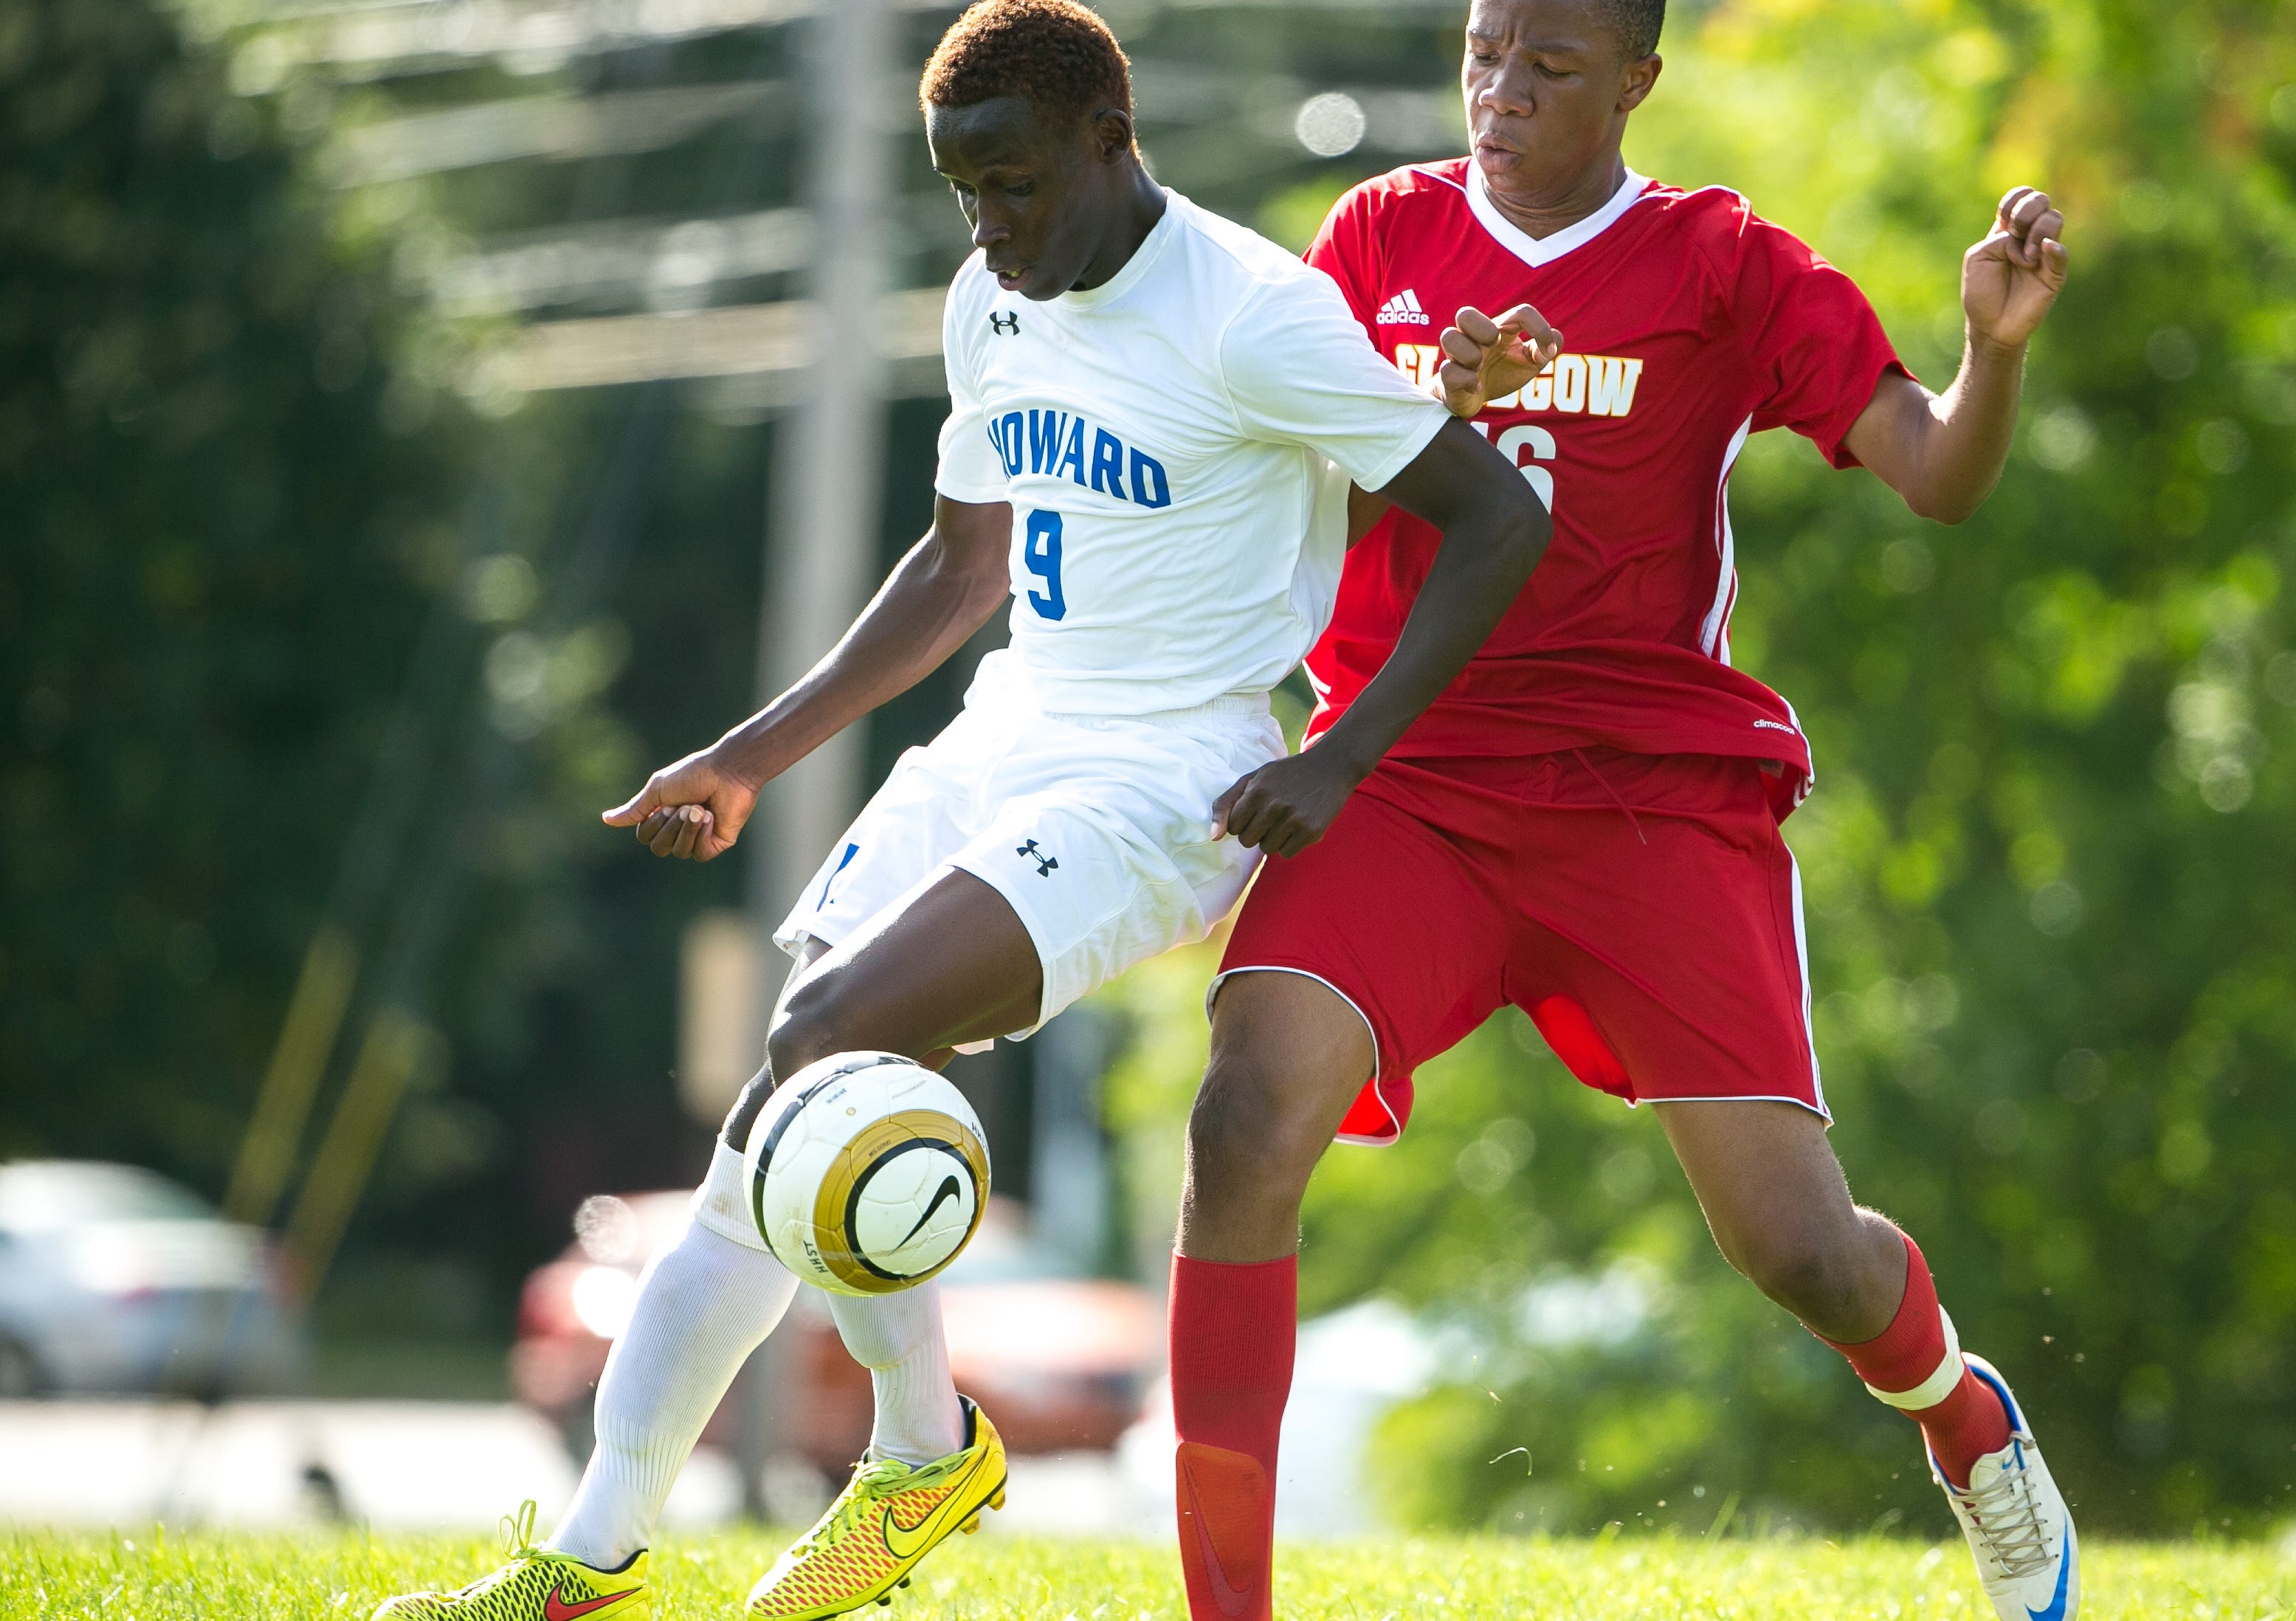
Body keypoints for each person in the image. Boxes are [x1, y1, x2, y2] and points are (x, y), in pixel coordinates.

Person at [372, 4, 1555, 1619]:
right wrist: (749, 756)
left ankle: (918, 1451)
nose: (988, 227)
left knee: (828, 1040)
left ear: (1107, 142)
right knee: (767, 1134)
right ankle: (595, 1563)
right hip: (1004, 738)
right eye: (960, 193)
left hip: (1166, 784)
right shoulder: (992, 301)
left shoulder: (1257, 314)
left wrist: (1339, 757)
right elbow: (956, 566)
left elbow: (1495, 519)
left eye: (1011, 185)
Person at [1165, 0, 2077, 1618]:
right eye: (1484, 53)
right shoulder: (1378, 234)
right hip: (1408, 775)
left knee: (1802, 1253)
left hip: (1644, 800)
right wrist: (1411, 405)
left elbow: (1935, 473)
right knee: (1240, 1122)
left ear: (1639, 85)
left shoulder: (1723, 264)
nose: (1502, 95)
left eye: (1551, 69)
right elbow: (1280, 484)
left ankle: (1963, 1415)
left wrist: (1991, 355)